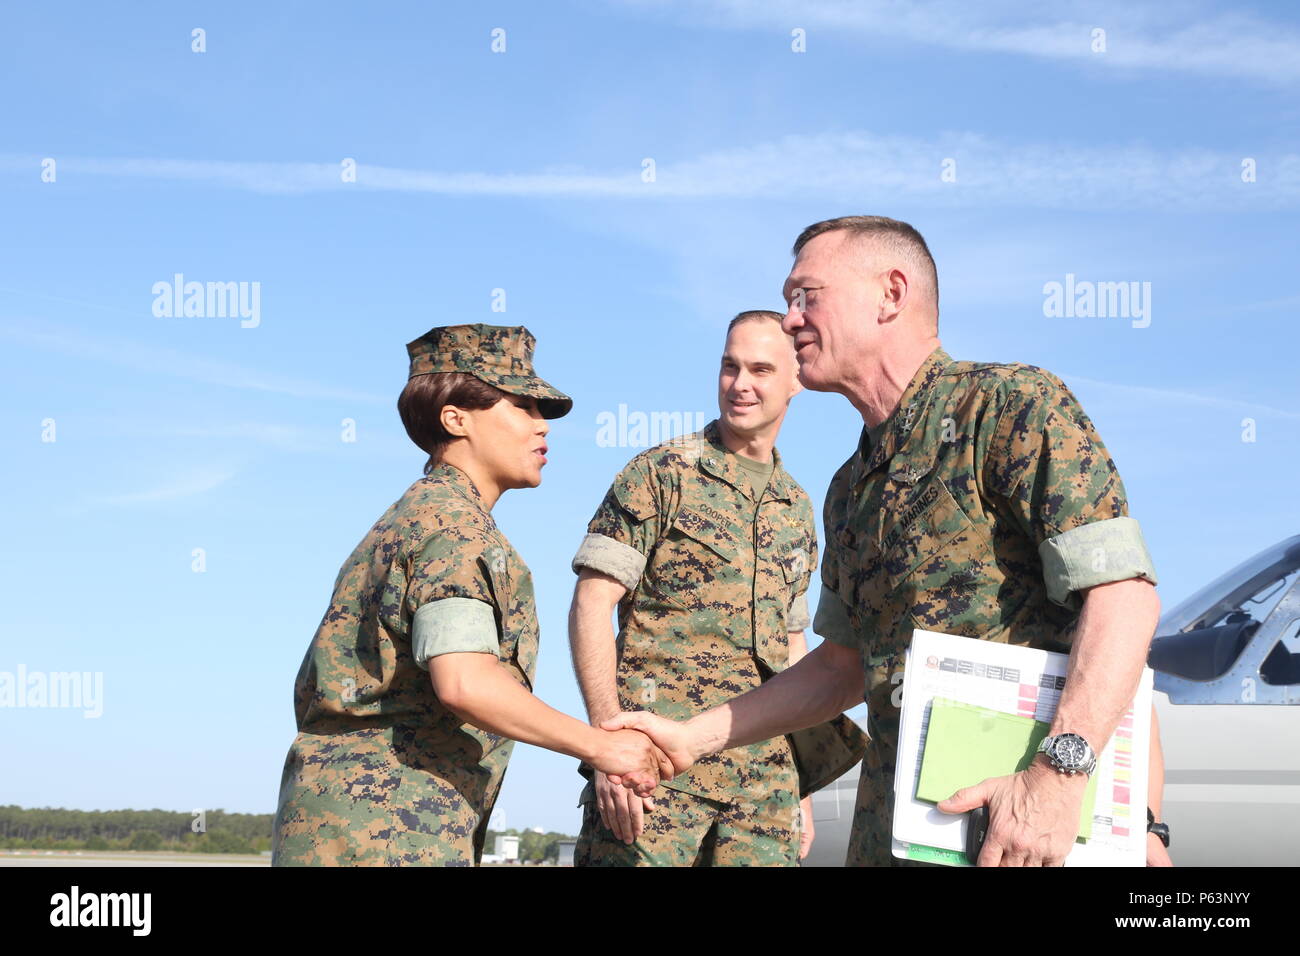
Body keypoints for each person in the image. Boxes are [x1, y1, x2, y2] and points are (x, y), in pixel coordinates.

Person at [604, 216, 1165, 867]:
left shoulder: (1010, 408)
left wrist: (1055, 780)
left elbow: (1123, 597)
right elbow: (840, 668)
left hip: (1022, 835)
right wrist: (690, 737)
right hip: (897, 836)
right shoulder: (849, 489)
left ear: (891, 294)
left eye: (806, 295)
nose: (789, 320)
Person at [272, 323, 670, 866]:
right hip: (389, 829)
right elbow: (465, 681)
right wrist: (603, 747)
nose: (541, 426)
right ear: (455, 418)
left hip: (350, 824)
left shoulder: (416, 515)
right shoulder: (454, 529)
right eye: (521, 406)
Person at [568, 311, 866, 867]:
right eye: (730, 367)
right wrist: (606, 747)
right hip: (653, 777)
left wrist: (799, 786)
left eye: (759, 369)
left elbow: (793, 646)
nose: (741, 384)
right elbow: (591, 602)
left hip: (762, 787)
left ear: (796, 378)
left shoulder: (797, 508)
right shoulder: (660, 474)